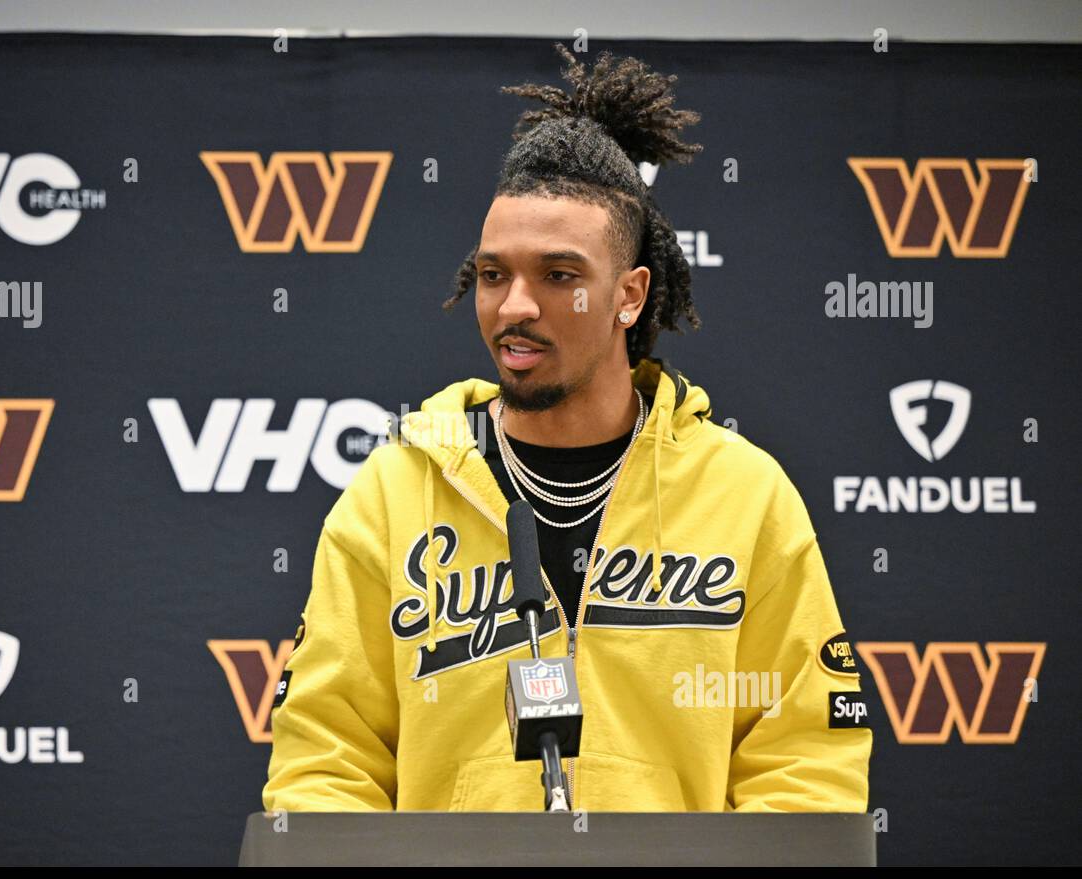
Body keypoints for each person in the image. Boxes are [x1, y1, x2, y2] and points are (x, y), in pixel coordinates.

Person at [263, 43, 871, 812]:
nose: (515, 306)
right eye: (493, 275)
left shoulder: (744, 496)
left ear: (628, 295)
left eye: (558, 276)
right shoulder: (393, 494)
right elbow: (324, 762)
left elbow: (806, 762)